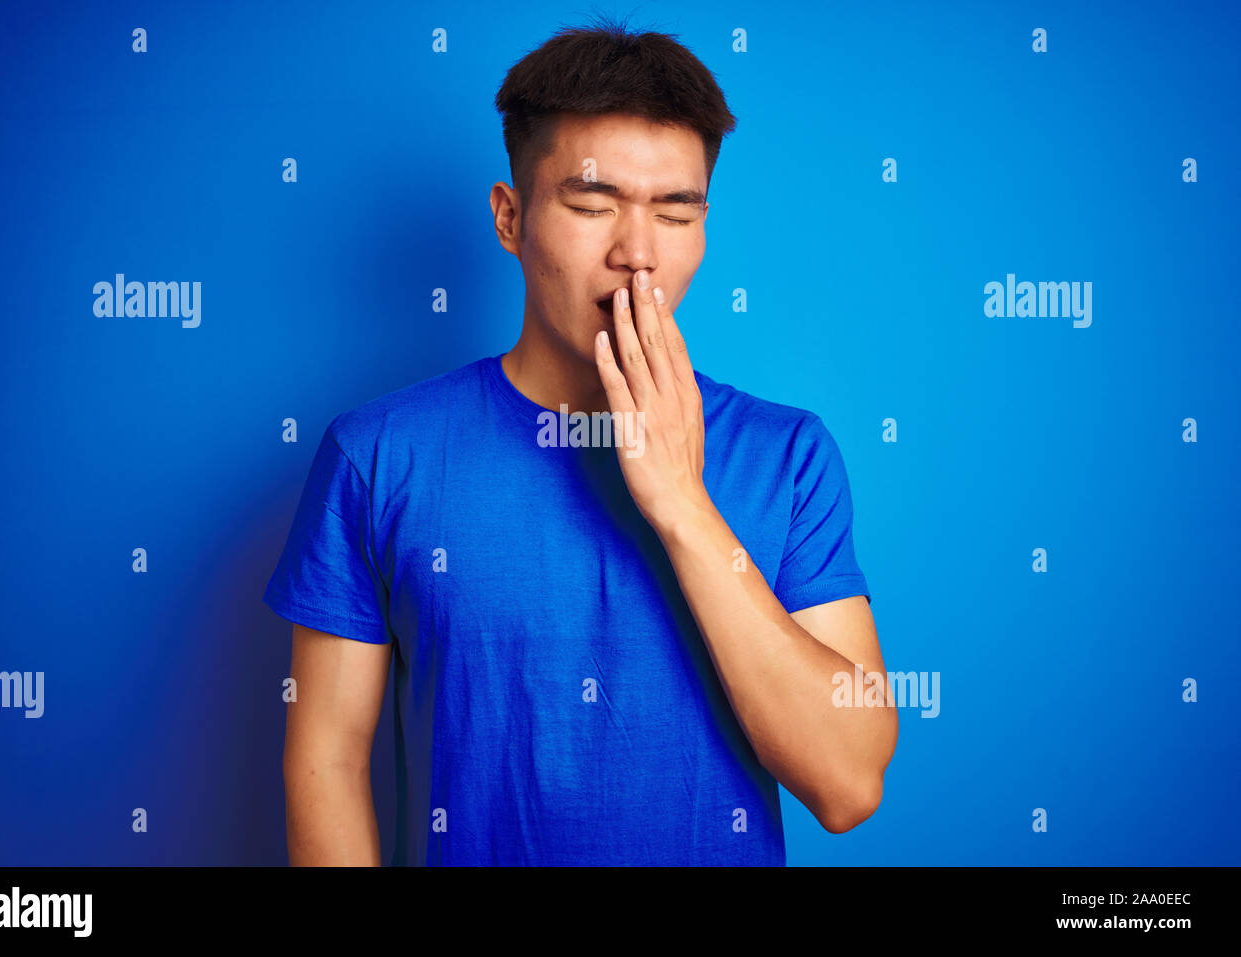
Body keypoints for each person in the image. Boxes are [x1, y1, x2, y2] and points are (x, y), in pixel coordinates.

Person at [263, 16, 897, 866]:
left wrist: (679, 499)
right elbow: (327, 761)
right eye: (594, 205)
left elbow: (849, 781)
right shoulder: (378, 457)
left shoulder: (787, 457)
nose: (637, 255)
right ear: (510, 216)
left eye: (677, 212)